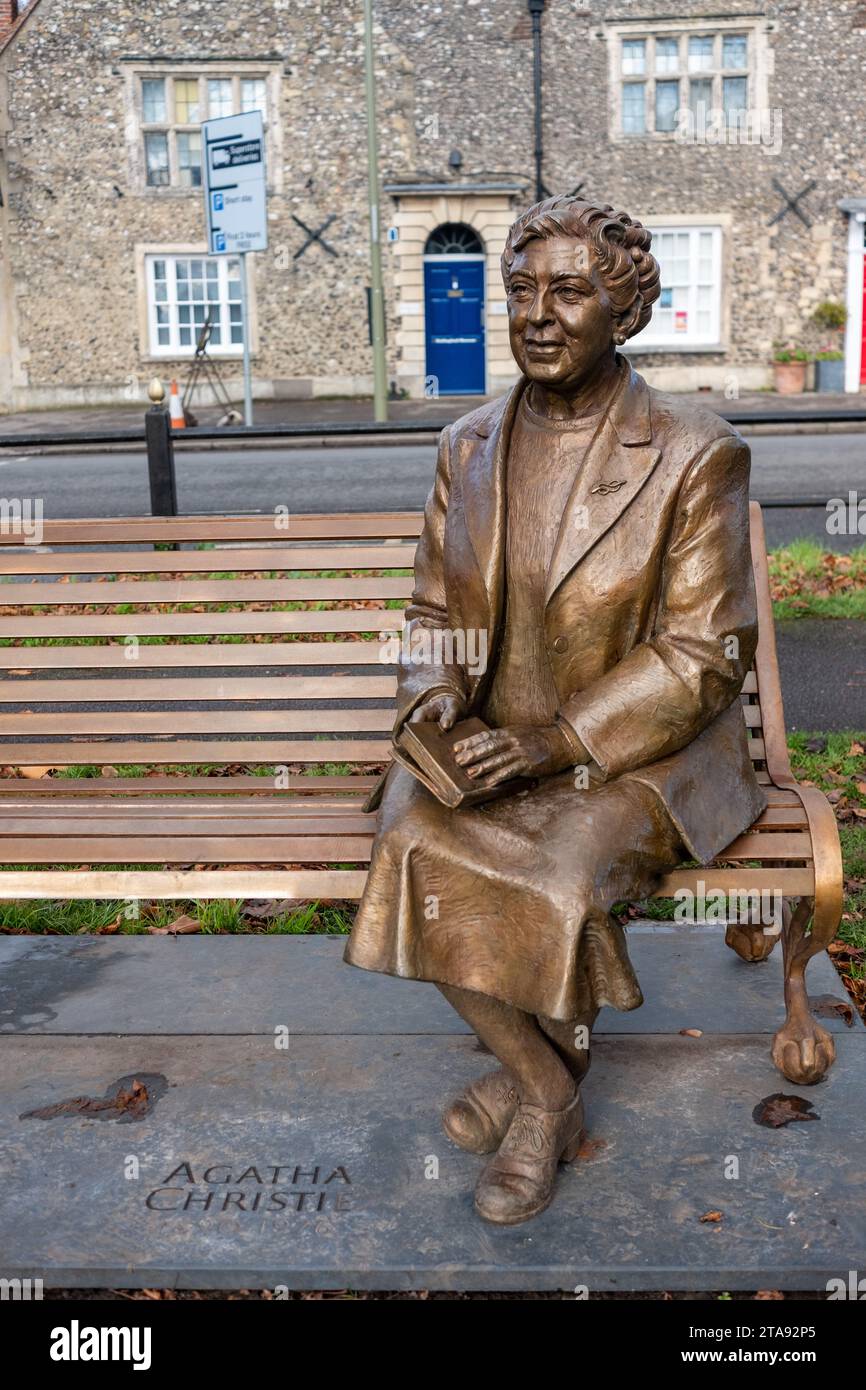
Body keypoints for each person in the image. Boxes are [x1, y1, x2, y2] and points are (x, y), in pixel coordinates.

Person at [344, 195, 767, 1226]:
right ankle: (546, 1089)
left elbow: (701, 651)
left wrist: (555, 740)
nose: (537, 314)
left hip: (635, 755)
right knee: (408, 846)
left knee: (555, 869)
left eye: (569, 291)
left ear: (622, 313)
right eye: (521, 290)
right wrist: (437, 701)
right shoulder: (466, 444)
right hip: (489, 744)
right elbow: (431, 609)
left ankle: (534, 1085)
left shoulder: (691, 451)